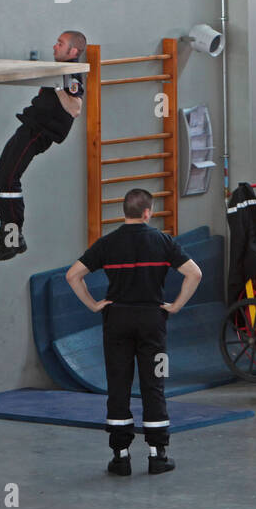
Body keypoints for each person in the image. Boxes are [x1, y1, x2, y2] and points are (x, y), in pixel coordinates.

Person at [65, 188, 202, 476]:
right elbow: (195, 273)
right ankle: (157, 455)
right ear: (148, 212)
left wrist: (93, 305)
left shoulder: (107, 244)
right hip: (153, 320)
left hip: (117, 320)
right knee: (154, 384)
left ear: (123, 211)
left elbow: (72, 275)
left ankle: (121, 456)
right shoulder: (163, 242)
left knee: (118, 384)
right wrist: (175, 305)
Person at [0, 30, 87, 261]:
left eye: (60, 44)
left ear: (73, 51)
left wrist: (58, 85)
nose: (54, 46)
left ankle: (14, 239)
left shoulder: (71, 72)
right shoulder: (61, 70)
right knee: (0, 177)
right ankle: (5, 231)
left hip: (40, 130)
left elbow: (75, 108)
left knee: (10, 180)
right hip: (30, 125)